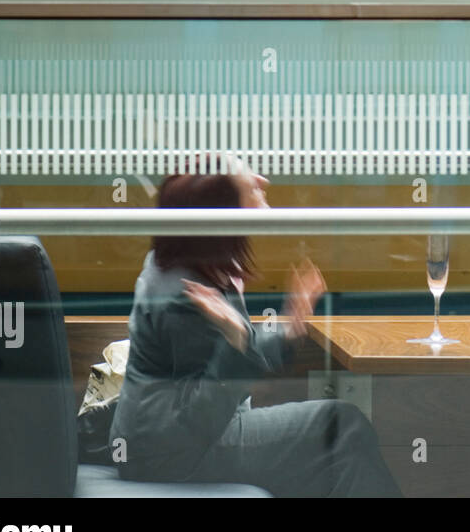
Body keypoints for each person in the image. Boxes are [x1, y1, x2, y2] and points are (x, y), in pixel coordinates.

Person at [110, 154, 401, 497]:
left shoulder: (197, 265)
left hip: (170, 440)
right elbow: (199, 417)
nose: (262, 180)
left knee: (336, 445)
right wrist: (236, 341)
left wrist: (288, 331)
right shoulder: (185, 294)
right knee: (342, 427)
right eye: (248, 179)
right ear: (223, 207)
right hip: (173, 451)